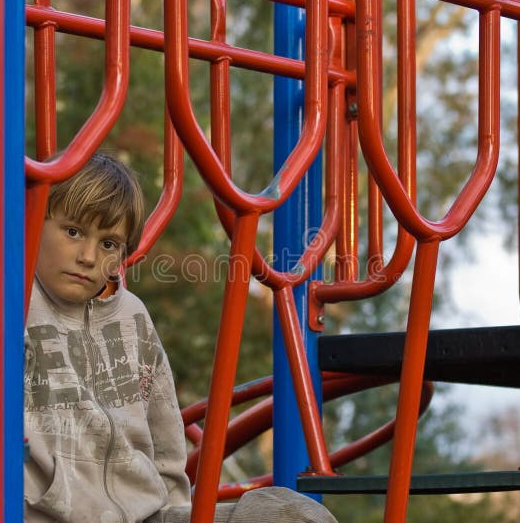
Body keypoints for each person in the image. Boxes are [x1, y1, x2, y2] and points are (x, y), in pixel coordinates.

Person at [23, 153, 338, 523]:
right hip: (50, 513)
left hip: (146, 515)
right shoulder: (12, 304)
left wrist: (177, 509)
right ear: (35, 221)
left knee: (297, 516)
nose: (89, 256)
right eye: (73, 232)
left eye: (108, 243)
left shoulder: (132, 316)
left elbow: (165, 430)